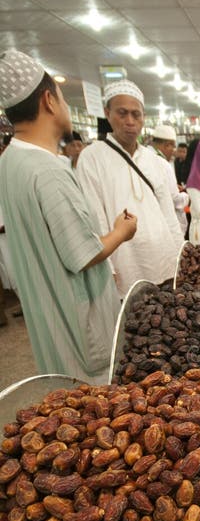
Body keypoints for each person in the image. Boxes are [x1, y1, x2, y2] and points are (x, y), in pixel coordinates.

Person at [0, 50, 137, 382]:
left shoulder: (10, 161)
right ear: (48, 101)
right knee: (90, 401)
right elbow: (83, 254)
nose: (64, 104)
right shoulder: (47, 171)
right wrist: (121, 231)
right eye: (61, 97)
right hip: (77, 321)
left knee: (62, 394)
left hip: (47, 313)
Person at [76, 80, 183, 297]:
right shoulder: (92, 157)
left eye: (136, 114)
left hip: (163, 259)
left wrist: (180, 255)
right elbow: (95, 215)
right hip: (125, 262)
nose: (130, 121)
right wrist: (108, 266)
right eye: (122, 113)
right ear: (108, 113)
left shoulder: (153, 160)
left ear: (144, 117)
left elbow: (168, 213)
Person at [149, 123, 189, 235]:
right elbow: (175, 200)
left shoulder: (144, 158)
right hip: (166, 225)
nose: (174, 151)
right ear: (167, 145)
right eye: (173, 147)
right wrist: (187, 197)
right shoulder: (163, 163)